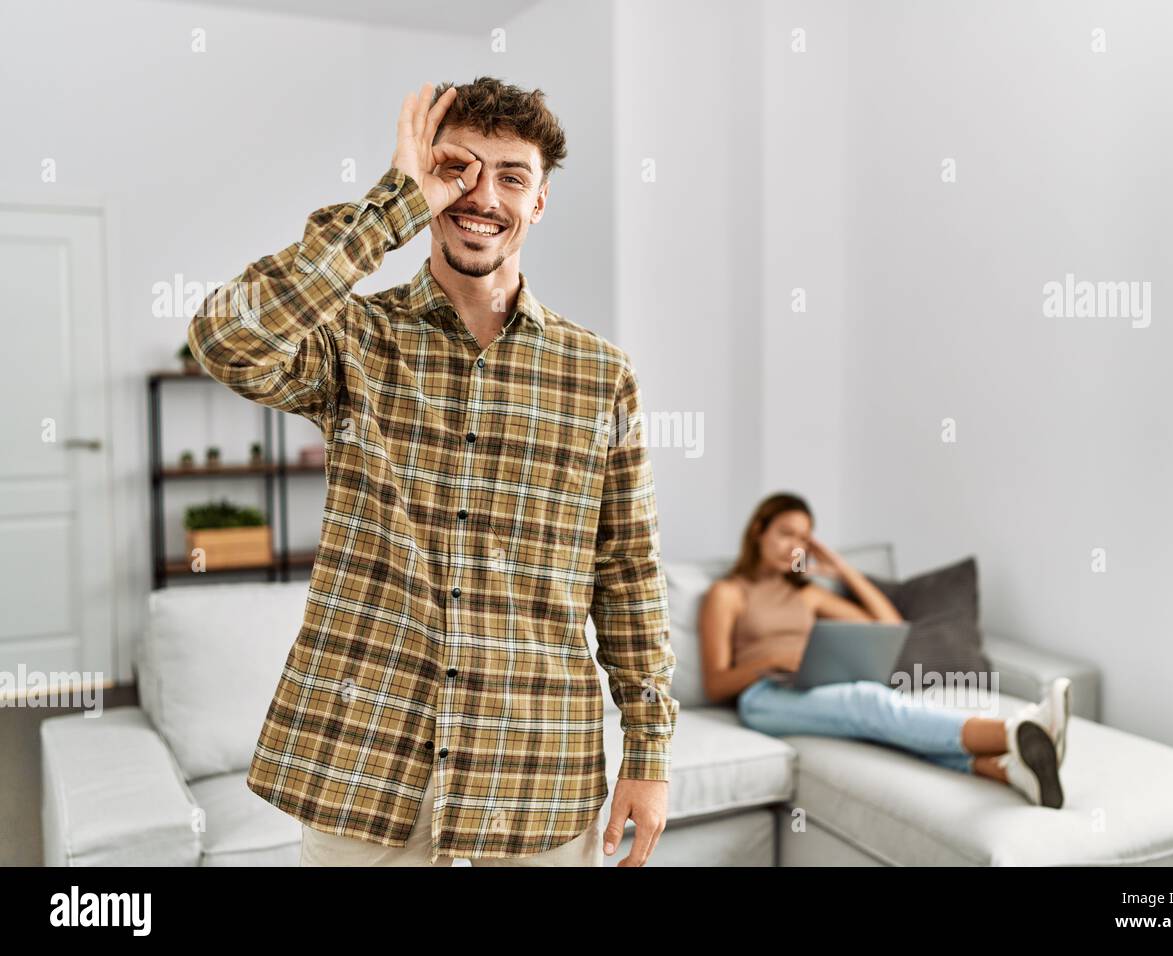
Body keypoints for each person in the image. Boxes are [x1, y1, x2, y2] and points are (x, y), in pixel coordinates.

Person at [188, 78, 675, 866]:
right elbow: (226, 339)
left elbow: (627, 572)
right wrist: (392, 205)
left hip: (537, 772)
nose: (482, 196)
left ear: (540, 201)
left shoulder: (601, 375)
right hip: (367, 764)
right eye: (458, 169)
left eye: (511, 176)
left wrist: (649, 753)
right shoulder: (355, 339)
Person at [697, 492, 1070, 808]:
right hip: (762, 697)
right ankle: (1016, 731)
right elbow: (716, 683)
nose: (794, 546)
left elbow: (889, 625)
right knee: (869, 702)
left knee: (884, 728)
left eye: (804, 540)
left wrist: (842, 570)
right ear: (758, 531)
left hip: (814, 685)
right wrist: (773, 660)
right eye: (785, 534)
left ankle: (1010, 773)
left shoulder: (806, 594)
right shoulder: (728, 593)